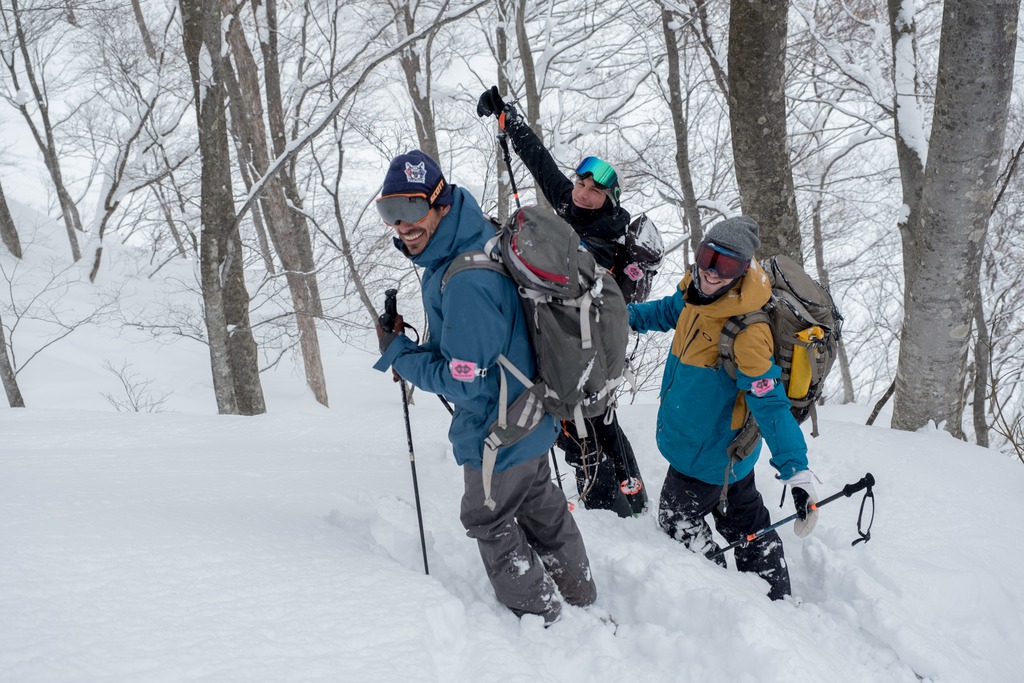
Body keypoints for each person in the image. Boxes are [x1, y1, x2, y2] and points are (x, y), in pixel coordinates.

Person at [373, 150, 596, 625]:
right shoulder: (477, 238)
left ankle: (547, 619)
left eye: (411, 210)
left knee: (488, 518)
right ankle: (580, 595)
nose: (401, 225)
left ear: (440, 203)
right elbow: (474, 350)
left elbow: (465, 382)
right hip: (532, 415)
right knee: (540, 505)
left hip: (500, 430)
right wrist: (412, 348)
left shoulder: (466, 277)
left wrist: (398, 355)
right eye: (389, 212)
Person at [626, 216, 819, 601]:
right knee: (745, 521)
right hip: (731, 454)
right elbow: (666, 312)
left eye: (725, 264)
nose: (711, 271)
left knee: (676, 520)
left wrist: (797, 472)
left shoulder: (747, 333)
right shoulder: (695, 294)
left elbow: (771, 405)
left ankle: (724, 597)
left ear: (743, 270)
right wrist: (620, 317)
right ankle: (775, 596)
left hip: (703, 460)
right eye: (707, 256)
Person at [476, 85, 647, 519]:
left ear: (608, 200)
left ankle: (609, 506)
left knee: (578, 420)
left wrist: (510, 239)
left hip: (585, 341)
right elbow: (540, 161)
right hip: (580, 335)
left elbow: (565, 272)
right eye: (581, 182)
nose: (583, 191)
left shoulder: (608, 234)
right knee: (601, 417)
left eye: (594, 189)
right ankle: (632, 491)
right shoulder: (572, 207)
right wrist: (508, 117)